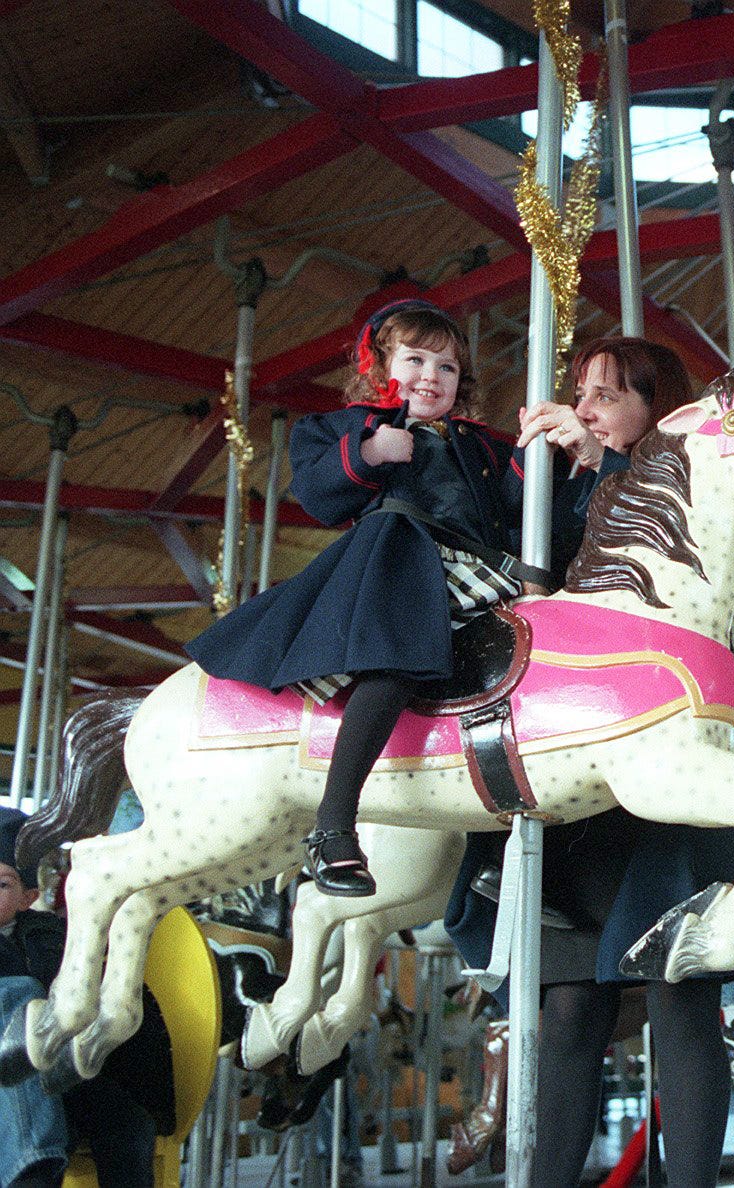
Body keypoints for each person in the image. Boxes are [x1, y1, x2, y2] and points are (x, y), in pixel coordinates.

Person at [446, 336, 734, 1188]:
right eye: (581, 394)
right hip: (579, 766)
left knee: (681, 998)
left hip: (666, 759)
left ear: (654, 407)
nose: (586, 409)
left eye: (607, 395)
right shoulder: (563, 489)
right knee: (567, 1009)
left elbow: (676, 562)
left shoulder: (693, 478)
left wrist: (605, 466)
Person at [186, 299, 561, 897]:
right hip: (400, 563)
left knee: (514, 671)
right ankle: (334, 823)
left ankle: (497, 839)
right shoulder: (346, 427)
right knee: (396, 662)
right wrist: (369, 453)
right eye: (415, 360)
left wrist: (532, 452)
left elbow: (513, 509)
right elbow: (318, 494)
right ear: (379, 365)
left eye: (447, 367)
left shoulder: (477, 444)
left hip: (476, 567)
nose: (431, 377)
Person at [0, 808, 172, 1187]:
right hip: (9, 1074)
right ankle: (32, 1171)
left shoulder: (54, 936)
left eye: (2, 885)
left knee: (127, 1122)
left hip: (53, 1068)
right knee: (20, 996)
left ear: (29, 897)